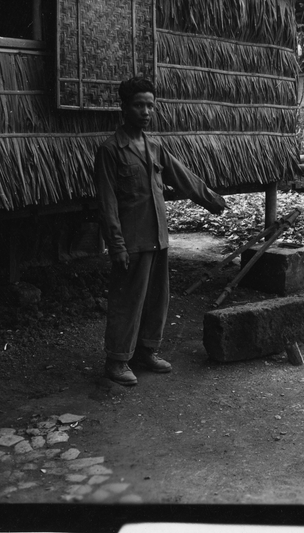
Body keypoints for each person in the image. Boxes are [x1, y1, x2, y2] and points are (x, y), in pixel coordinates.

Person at [94, 76, 227, 386]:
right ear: (124, 108)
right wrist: (116, 245)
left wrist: (211, 200)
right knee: (128, 302)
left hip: (158, 239)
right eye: (139, 105)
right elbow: (107, 203)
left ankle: (145, 352)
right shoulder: (111, 150)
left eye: (150, 106)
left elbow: (183, 177)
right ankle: (116, 361)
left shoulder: (154, 146)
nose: (145, 112)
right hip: (131, 240)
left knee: (157, 300)